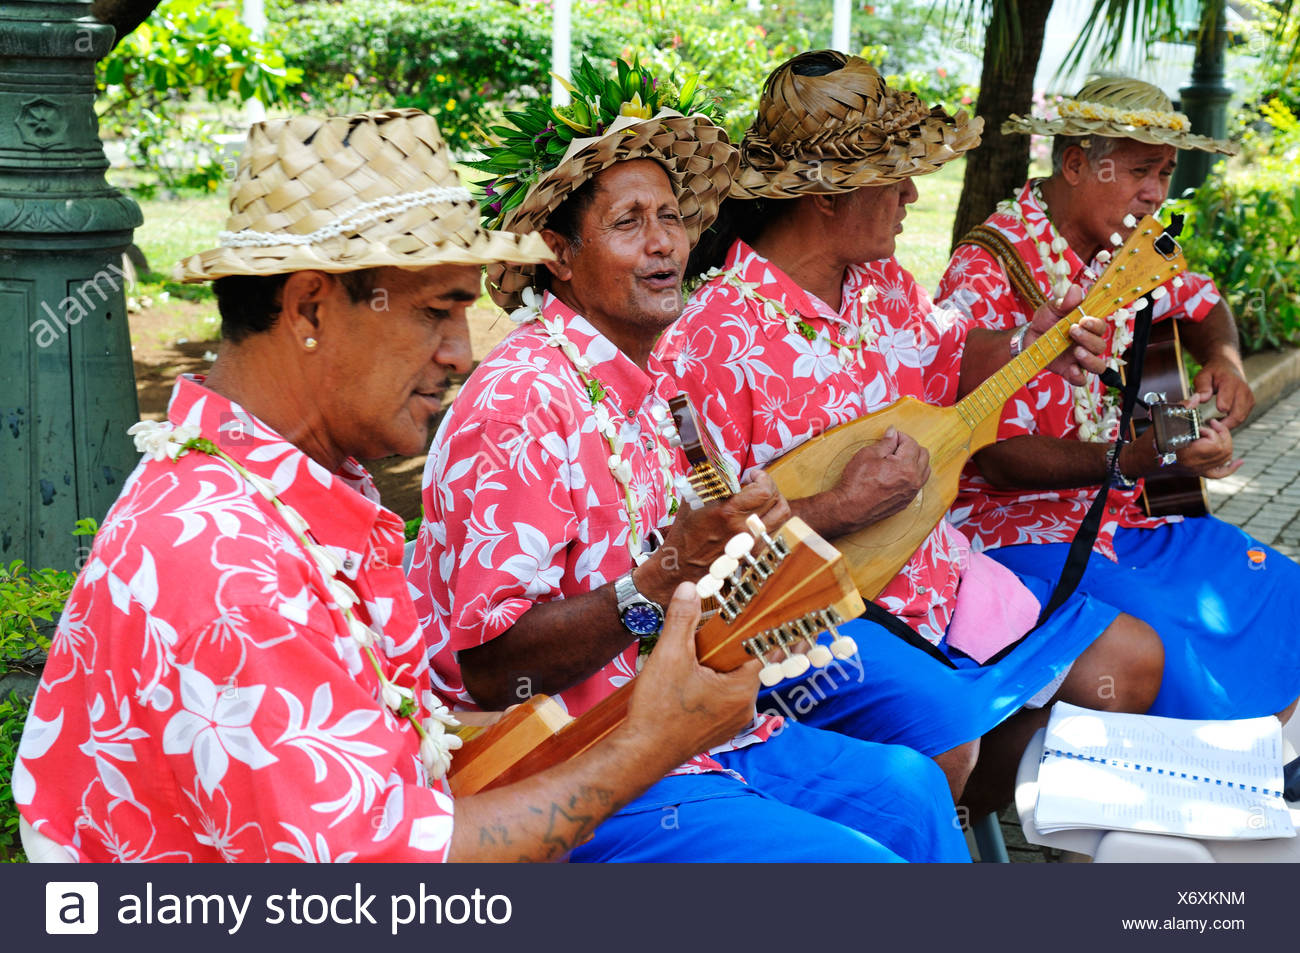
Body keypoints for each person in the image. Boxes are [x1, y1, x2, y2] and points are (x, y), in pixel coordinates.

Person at [14, 109, 779, 863]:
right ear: (310, 307)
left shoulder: (274, 497)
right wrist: (648, 744)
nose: (461, 353)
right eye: (435, 312)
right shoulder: (229, 566)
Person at [410, 58, 971, 861]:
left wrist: (746, 553)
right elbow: (494, 668)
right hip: (583, 767)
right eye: (628, 222)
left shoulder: (645, 387)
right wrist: (656, 582)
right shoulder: (523, 399)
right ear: (559, 254)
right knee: (856, 862)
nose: (663, 243)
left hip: (697, 732)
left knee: (912, 792)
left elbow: (693, 576)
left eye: (671, 217)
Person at [658, 50, 1163, 815]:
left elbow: (950, 357)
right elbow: (700, 555)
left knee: (1130, 661)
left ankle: (956, 819)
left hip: (936, 575)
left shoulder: (880, 283)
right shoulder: (713, 339)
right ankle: (906, 825)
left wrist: (1033, 340)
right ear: (829, 195)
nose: (913, 195)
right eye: (894, 177)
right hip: (819, 624)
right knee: (947, 739)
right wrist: (839, 506)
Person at [936, 77, 1300, 723]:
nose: (1156, 193)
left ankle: (1266, 758)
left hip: (1124, 518)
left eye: (1165, 172)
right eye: (1139, 171)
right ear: (1077, 164)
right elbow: (996, 458)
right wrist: (1132, 459)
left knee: (1278, 584)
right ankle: (1211, 769)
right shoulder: (987, 267)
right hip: (1013, 533)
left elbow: (1203, 301)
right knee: (1168, 637)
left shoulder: (1131, 251)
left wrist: (1224, 359)